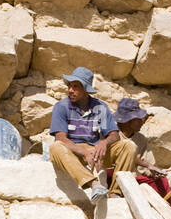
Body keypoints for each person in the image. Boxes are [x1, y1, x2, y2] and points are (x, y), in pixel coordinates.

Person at [48, 66, 137, 205]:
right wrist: (83, 152)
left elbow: (114, 135)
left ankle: (116, 193)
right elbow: (61, 138)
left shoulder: (100, 107)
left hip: (96, 151)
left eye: (76, 86)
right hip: (73, 151)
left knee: (128, 146)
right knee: (55, 147)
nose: (70, 90)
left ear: (85, 89)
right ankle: (94, 185)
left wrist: (103, 143)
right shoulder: (61, 106)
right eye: (70, 86)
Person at [111, 97, 170, 200]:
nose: (142, 123)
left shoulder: (140, 139)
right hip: (114, 175)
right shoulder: (112, 134)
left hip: (134, 178)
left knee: (162, 182)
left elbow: (148, 164)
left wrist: (154, 172)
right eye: (138, 119)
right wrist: (145, 164)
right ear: (127, 121)